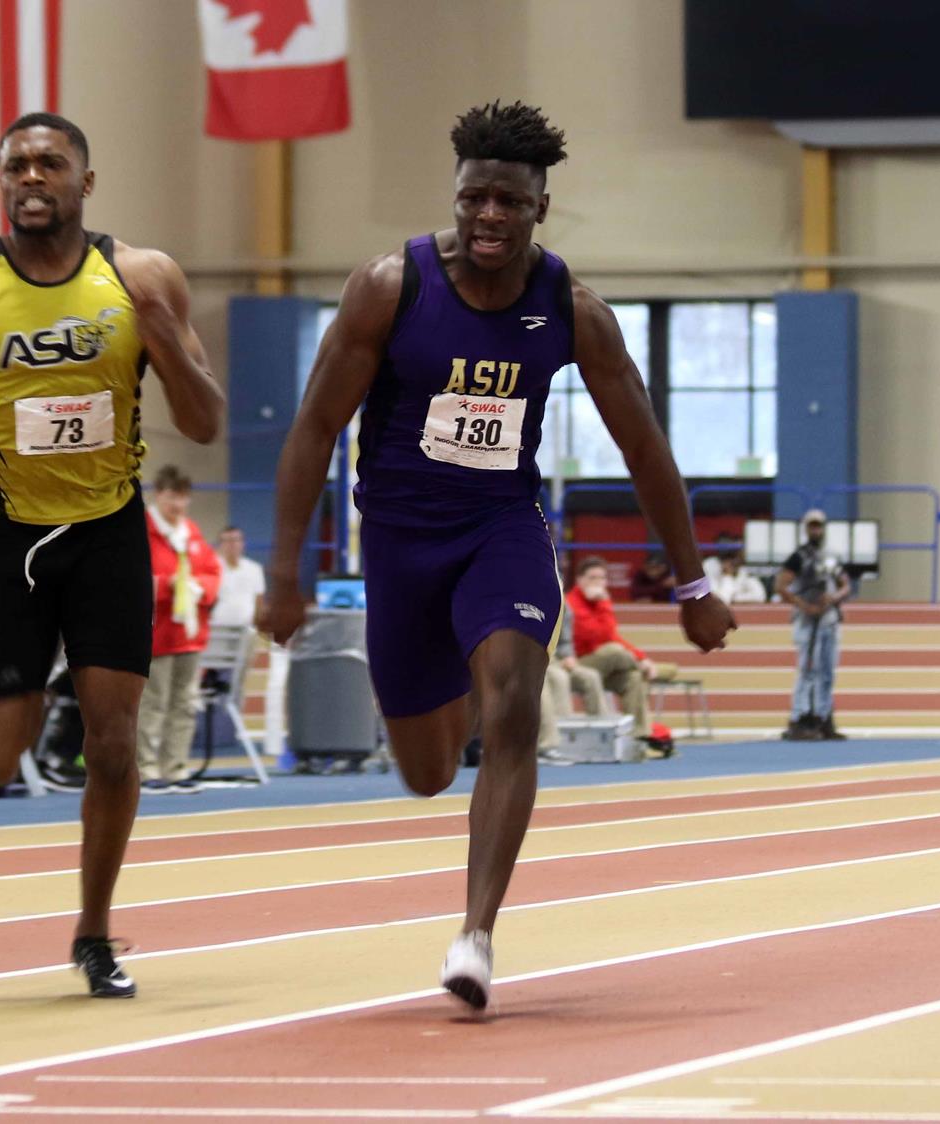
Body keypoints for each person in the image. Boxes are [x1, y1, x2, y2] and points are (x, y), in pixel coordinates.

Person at [261, 101, 733, 1010]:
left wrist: (692, 583)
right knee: (428, 772)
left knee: (514, 704)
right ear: (455, 196)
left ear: (539, 208)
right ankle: (462, 678)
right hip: (400, 542)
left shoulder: (572, 310)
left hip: (500, 529)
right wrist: (286, 575)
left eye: (509, 202)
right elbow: (315, 427)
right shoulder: (389, 288)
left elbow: (645, 449)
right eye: (474, 197)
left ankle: (475, 935)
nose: (488, 216)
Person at [0, 112, 223, 997]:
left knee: (113, 744)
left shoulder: (142, 277)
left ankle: (94, 931)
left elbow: (204, 421)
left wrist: (159, 334)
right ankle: (36, 679)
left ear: (85, 182)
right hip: (6, 538)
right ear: (3, 181)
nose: (32, 177)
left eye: (50, 163)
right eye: (17, 165)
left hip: (107, 531)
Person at [141, 466, 221, 793]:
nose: (178, 504)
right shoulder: (143, 531)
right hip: (155, 635)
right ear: (158, 494)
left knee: (185, 705)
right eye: (172, 496)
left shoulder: (191, 532)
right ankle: (145, 768)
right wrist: (168, 585)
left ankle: (175, 767)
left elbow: (213, 574)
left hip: (189, 636)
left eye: (183, 497)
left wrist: (199, 588)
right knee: (153, 705)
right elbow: (130, 580)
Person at [566, 557, 666, 744]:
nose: (597, 583)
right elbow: (596, 635)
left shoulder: (599, 603)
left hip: (603, 666)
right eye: (592, 577)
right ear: (579, 580)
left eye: (602, 578)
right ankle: (641, 667)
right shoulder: (571, 603)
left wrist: (642, 657)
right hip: (578, 663)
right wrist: (604, 602)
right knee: (614, 651)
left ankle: (638, 736)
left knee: (633, 678)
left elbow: (613, 636)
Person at [779, 510, 850, 741]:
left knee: (827, 672)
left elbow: (845, 584)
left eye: (819, 526)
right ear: (806, 528)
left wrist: (834, 598)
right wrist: (804, 606)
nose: (815, 530)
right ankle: (800, 716)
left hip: (829, 620)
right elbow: (781, 586)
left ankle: (824, 716)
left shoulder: (831, 557)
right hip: (808, 621)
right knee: (808, 670)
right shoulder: (798, 557)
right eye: (812, 526)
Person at [537, 593, 607, 760]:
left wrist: (568, 655)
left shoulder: (561, 602)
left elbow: (565, 640)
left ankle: (602, 739)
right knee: (559, 678)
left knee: (590, 677)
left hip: (556, 658)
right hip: (535, 659)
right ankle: (557, 743)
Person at [210, 525, 266, 632]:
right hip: (218, 627)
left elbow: (259, 601)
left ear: (243, 543)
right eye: (227, 541)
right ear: (220, 544)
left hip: (247, 628)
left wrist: (257, 627)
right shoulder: (212, 568)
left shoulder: (255, 569)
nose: (232, 544)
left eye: (236, 540)